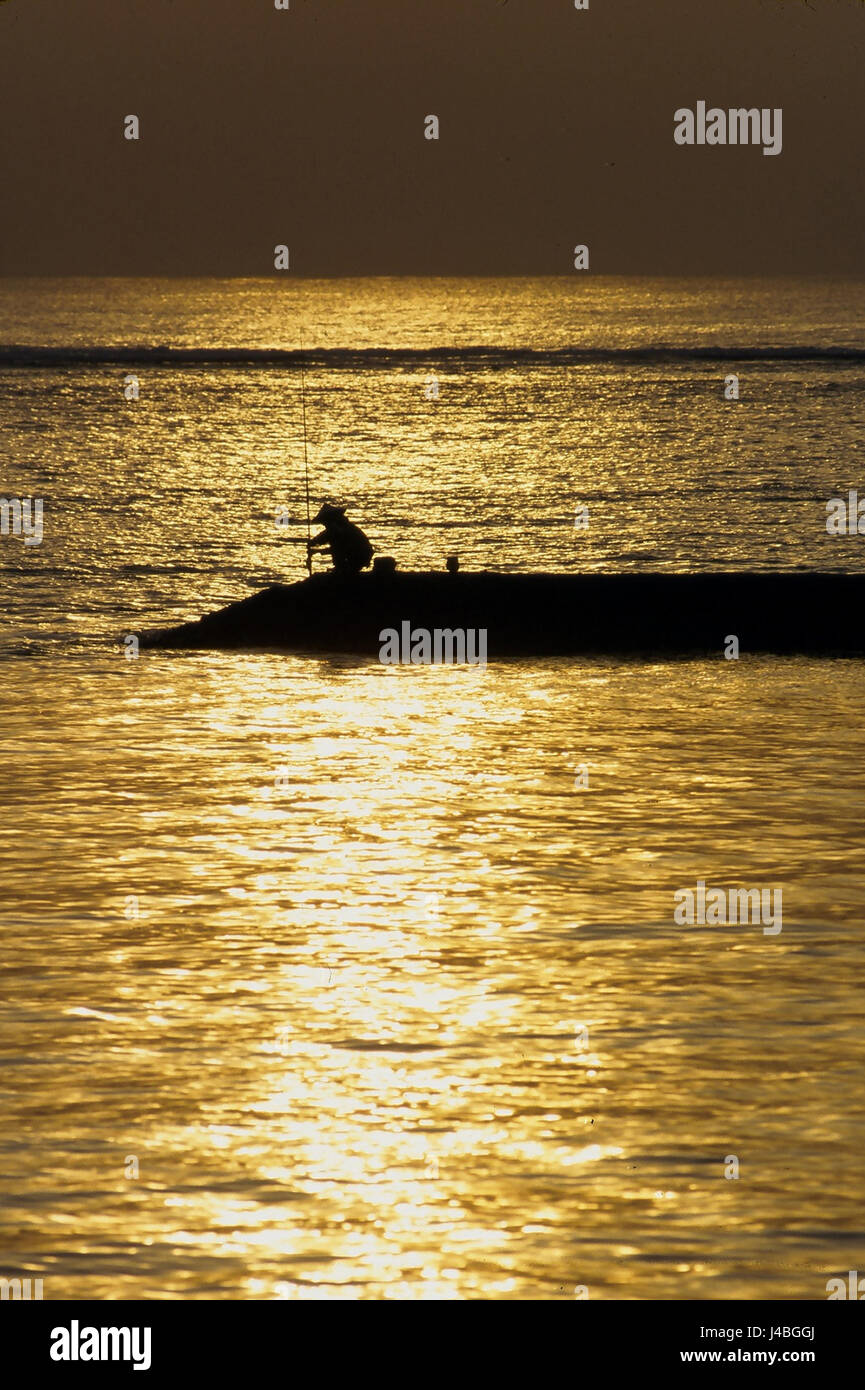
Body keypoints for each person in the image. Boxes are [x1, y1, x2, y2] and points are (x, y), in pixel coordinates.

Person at [307, 503, 374, 574]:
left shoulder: (342, 530)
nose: (325, 525)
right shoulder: (339, 527)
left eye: (325, 522)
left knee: (338, 553)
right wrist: (313, 542)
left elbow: (338, 549)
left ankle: (342, 570)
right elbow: (323, 537)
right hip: (358, 556)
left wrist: (317, 551)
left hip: (359, 557)